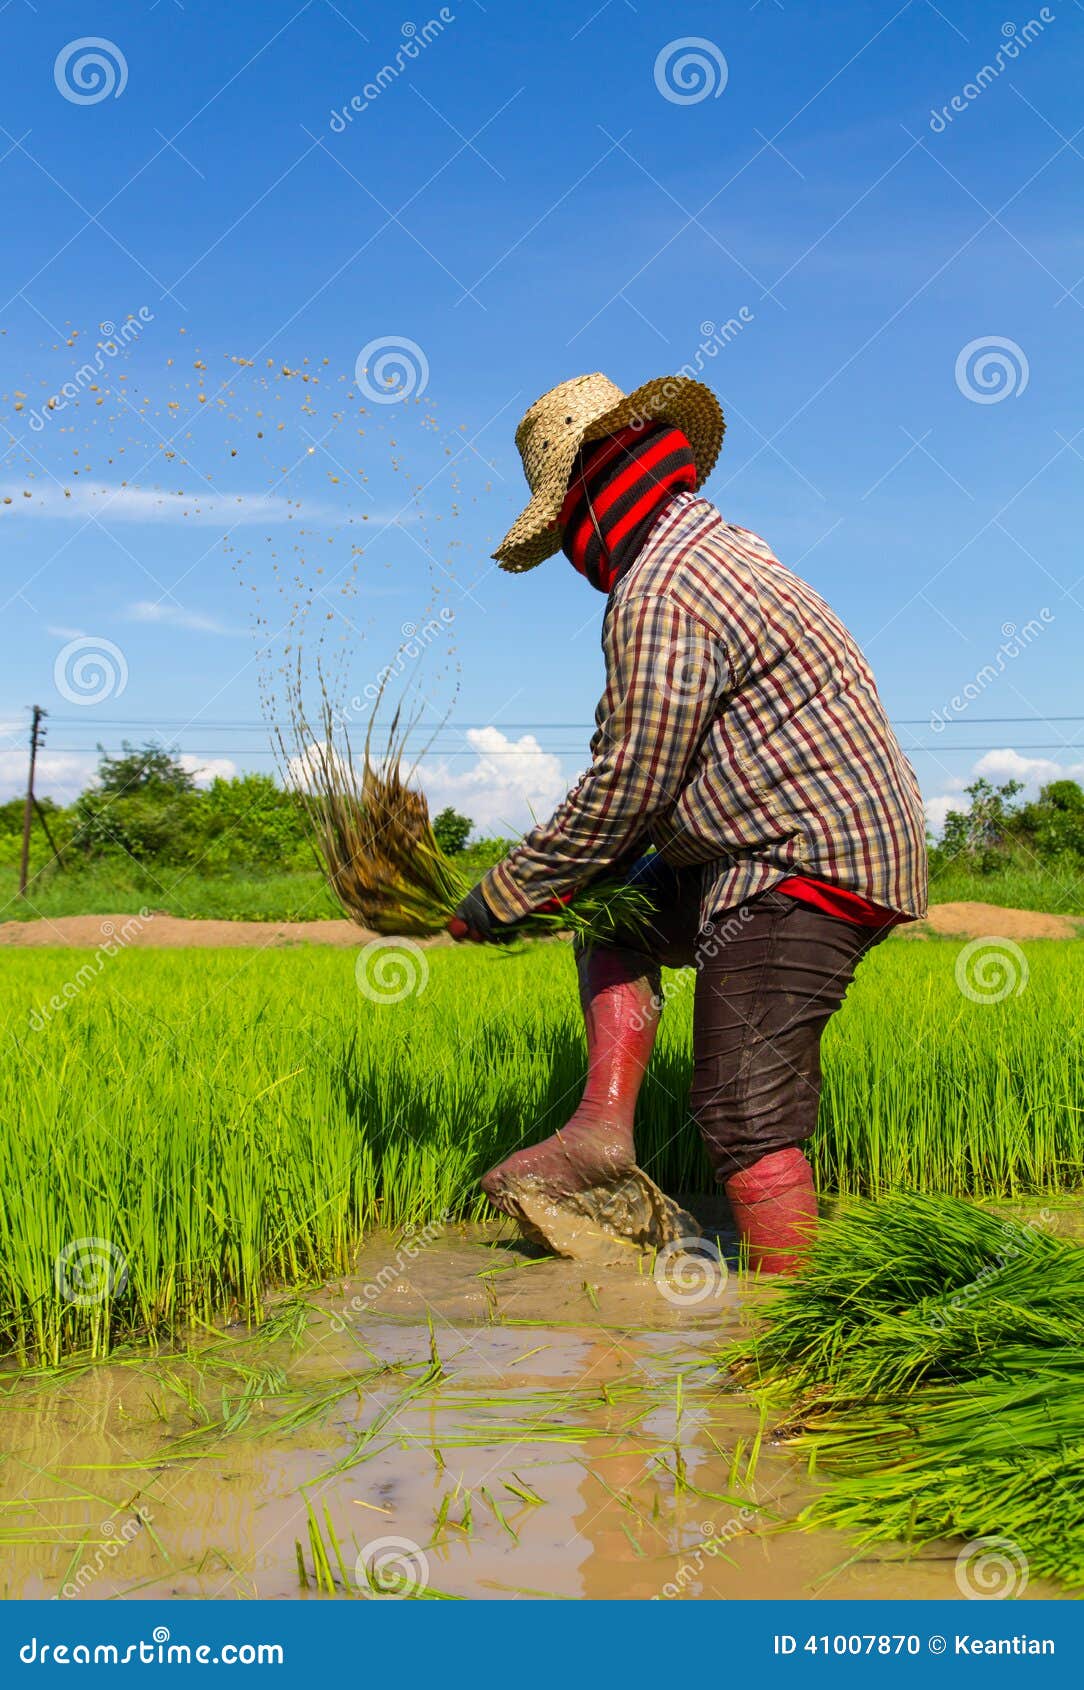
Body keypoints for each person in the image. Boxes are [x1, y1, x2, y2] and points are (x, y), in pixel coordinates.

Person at [447, 371, 927, 1273]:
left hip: (802, 858)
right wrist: (571, 884)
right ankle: (600, 1131)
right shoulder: (717, 549)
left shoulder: (662, 589)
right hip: (776, 839)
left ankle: (795, 1321)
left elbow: (630, 782)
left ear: (590, 498)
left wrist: (504, 894)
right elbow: (637, 749)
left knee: (742, 1109)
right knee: (615, 915)